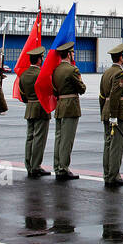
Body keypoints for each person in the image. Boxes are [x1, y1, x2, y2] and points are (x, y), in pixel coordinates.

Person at [51, 41, 84, 181]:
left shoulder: (55, 70)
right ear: (69, 54)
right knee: (67, 139)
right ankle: (63, 168)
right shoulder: (72, 70)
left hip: (60, 105)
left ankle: (58, 165)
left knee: (59, 138)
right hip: (70, 107)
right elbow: (82, 89)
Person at [98, 42, 123, 187]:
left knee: (108, 144)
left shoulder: (106, 72)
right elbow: (116, 95)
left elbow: (101, 96)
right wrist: (114, 115)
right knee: (116, 144)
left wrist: (104, 112)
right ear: (121, 58)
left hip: (106, 110)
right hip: (116, 111)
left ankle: (107, 174)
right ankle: (114, 175)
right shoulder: (119, 73)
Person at [19, 46, 50, 178]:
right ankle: (36, 165)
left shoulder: (24, 75)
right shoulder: (41, 74)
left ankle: (29, 164)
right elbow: (48, 91)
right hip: (40, 108)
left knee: (30, 137)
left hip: (29, 107)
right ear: (39, 59)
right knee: (39, 138)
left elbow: (23, 95)